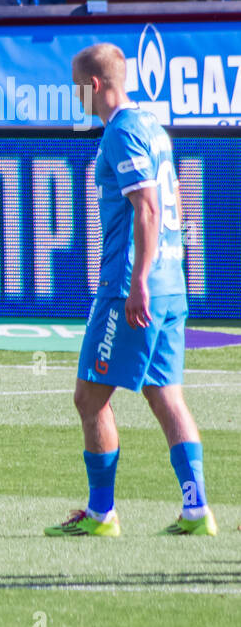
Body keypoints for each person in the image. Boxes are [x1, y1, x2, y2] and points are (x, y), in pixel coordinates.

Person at [45, 43, 215, 537]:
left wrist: (137, 280)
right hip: (171, 284)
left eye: (76, 87)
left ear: (93, 85)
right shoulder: (152, 128)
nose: (73, 96)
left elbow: (146, 206)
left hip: (130, 287)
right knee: (166, 395)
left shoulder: (120, 132)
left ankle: (101, 514)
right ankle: (195, 508)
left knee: (89, 398)